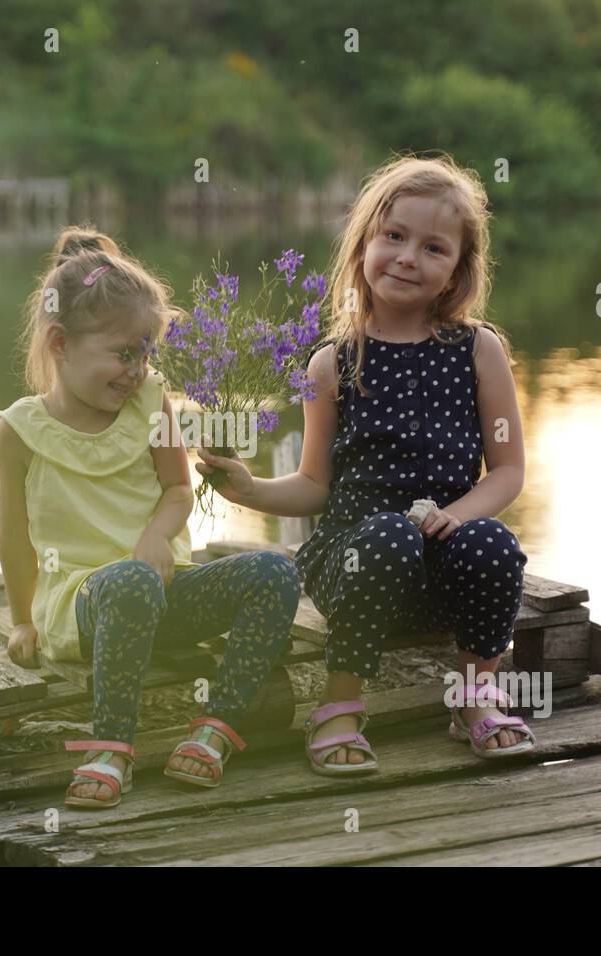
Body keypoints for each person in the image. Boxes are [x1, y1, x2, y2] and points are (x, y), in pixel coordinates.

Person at [197, 154, 535, 770]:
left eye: (434, 248)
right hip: (354, 564)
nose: (408, 257)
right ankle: (341, 707)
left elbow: (509, 471)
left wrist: (460, 516)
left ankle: (474, 696)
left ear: (458, 270)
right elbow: (312, 485)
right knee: (384, 536)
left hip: (441, 571)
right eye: (394, 236)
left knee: (492, 542)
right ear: (364, 245)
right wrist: (247, 490)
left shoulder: (478, 350)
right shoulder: (333, 363)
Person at [0, 225, 302, 808]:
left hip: (162, 590)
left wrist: (160, 534)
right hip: (83, 604)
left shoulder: (150, 401)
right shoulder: (19, 430)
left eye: (145, 352)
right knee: (128, 582)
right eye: (121, 353)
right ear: (60, 344)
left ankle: (216, 731)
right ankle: (111, 748)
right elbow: (13, 536)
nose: (136, 368)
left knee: (274, 571)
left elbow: (177, 490)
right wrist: (21, 620)